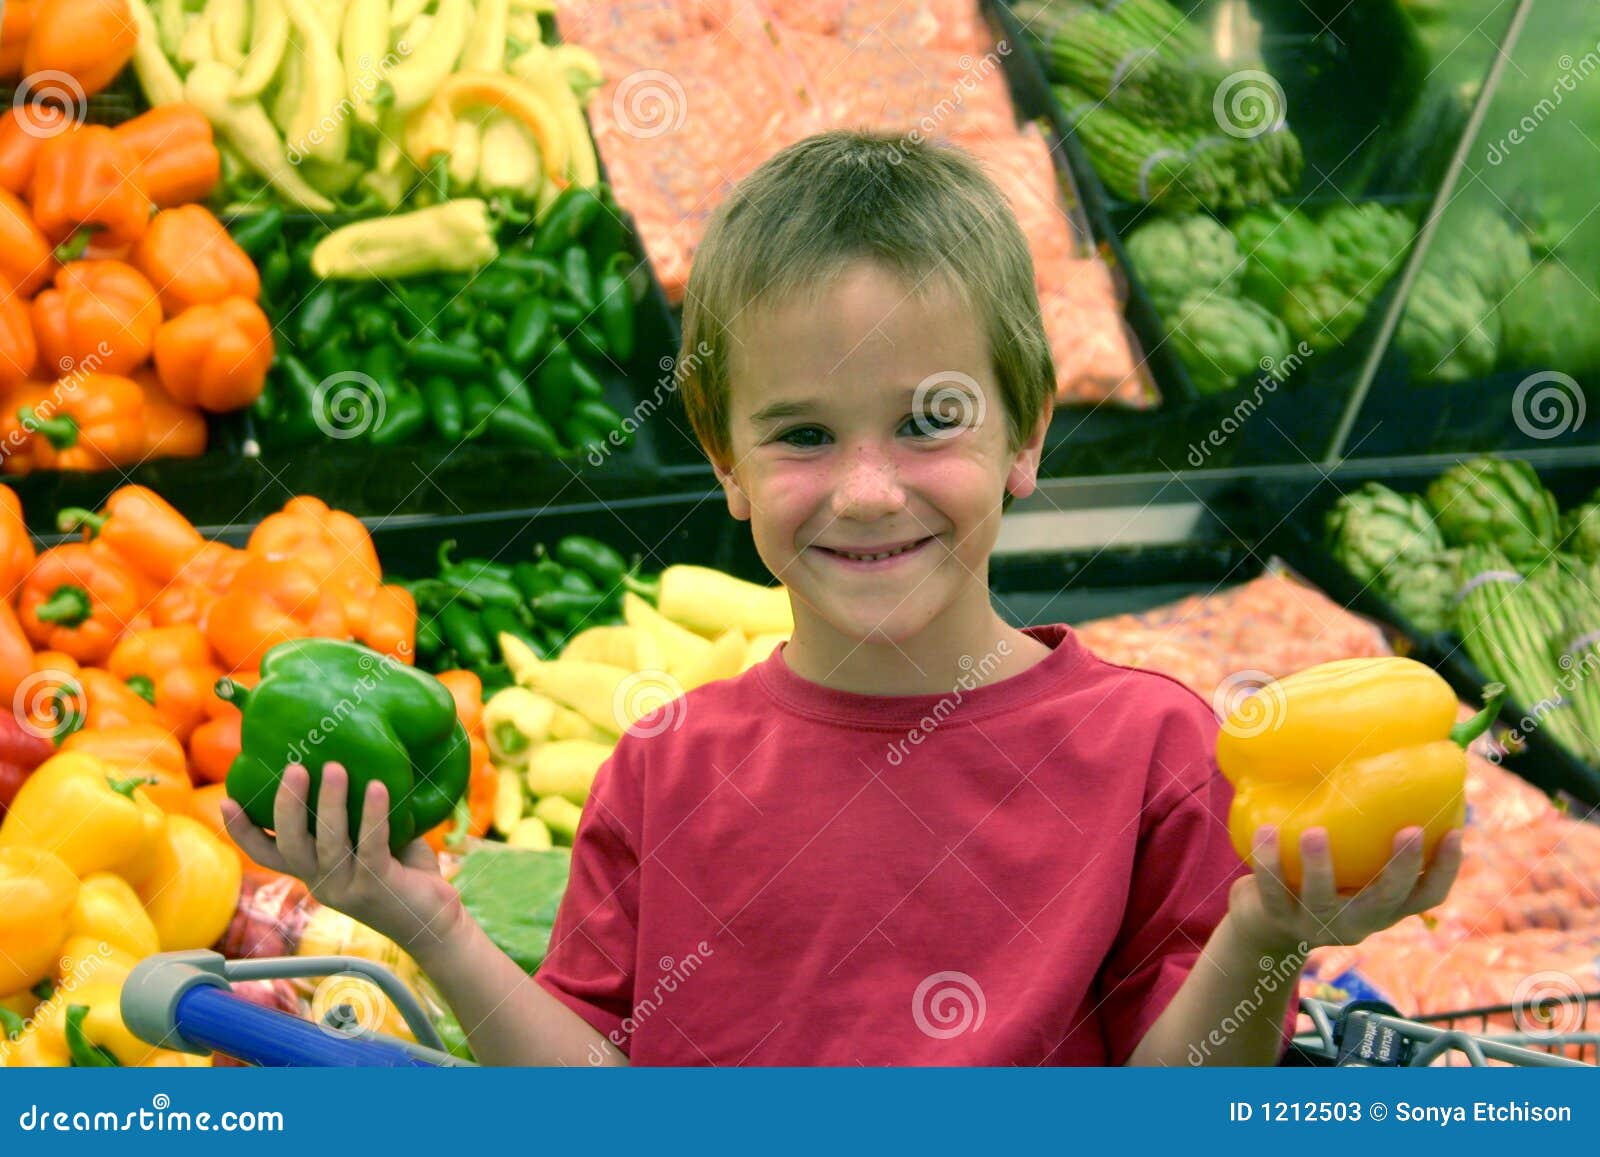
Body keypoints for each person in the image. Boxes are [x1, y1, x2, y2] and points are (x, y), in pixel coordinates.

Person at [222, 129, 1461, 1066]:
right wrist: (425, 919)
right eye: (803, 434)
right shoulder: (665, 767)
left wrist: (1263, 935)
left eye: (929, 421)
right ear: (725, 463)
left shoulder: (1154, 750)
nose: (868, 491)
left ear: (1025, 434)